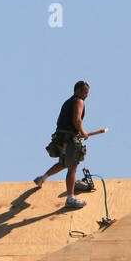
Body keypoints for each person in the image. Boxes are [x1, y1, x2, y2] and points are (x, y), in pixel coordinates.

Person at [34, 81, 101, 210]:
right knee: (73, 167)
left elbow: (60, 121)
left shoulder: (67, 102)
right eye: (85, 92)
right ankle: (70, 198)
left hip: (60, 136)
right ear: (78, 90)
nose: (86, 95)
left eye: (87, 93)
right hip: (70, 138)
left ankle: (42, 178)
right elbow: (77, 120)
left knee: (64, 163)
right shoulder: (78, 101)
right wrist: (83, 132)